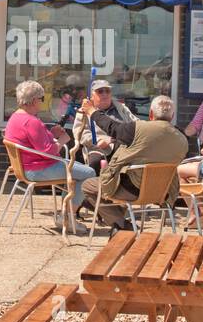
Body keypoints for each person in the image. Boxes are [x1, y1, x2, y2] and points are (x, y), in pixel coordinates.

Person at [78, 93, 188, 231]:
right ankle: (119, 225)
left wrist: (92, 111)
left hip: (131, 189)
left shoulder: (137, 129)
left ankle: (121, 225)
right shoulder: (182, 139)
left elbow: (111, 127)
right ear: (172, 117)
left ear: (151, 114)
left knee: (88, 185)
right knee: (111, 195)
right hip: (161, 192)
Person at [3, 79, 91, 212]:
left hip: (26, 167)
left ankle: (66, 211)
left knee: (79, 171)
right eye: (41, 98)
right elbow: (49, 152)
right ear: (34, 101)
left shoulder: (15, 117)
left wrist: (52, 134)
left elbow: (34, 142)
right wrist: (62, 139)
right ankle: (68, 216)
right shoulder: (31, 121)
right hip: (38, 169)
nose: (42, 102)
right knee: (89, 173)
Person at [72, 78, 136, 170]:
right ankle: (95, 184)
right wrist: (97, 140)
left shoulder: (121, 108)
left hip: (126, 146)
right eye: (100, 91)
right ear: (92, 96)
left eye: (107, 91)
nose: (105, 94)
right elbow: (80, 134)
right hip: (101, 149)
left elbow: (136, 123)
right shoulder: (84, 111)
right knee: (95, 162)